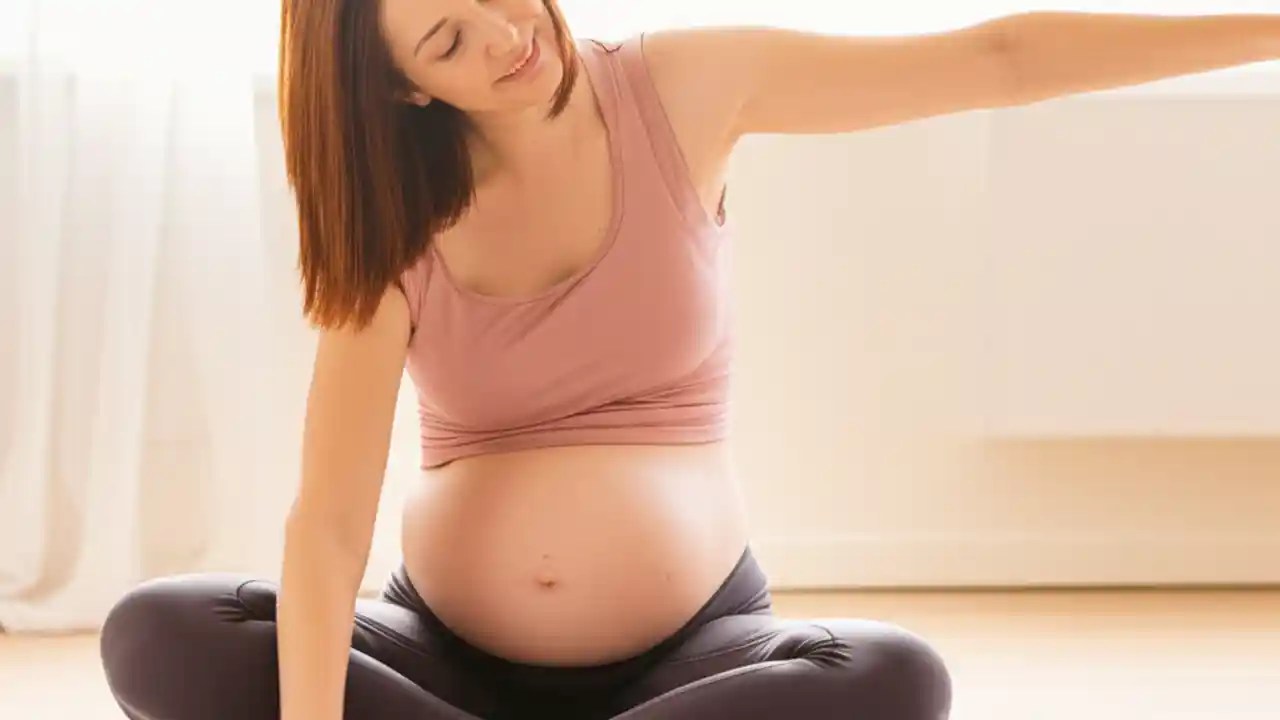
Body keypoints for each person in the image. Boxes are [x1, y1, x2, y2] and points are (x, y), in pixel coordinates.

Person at [102, 1, 1000, 717]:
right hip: (442, 662)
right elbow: (329, 526)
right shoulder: (391, 225)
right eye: (449, 40)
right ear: (403, 87)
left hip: (692, 657)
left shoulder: (680, 87)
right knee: (160, 633)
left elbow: (992, 57)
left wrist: (1151, 40)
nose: (505, 35)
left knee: (891, 676)